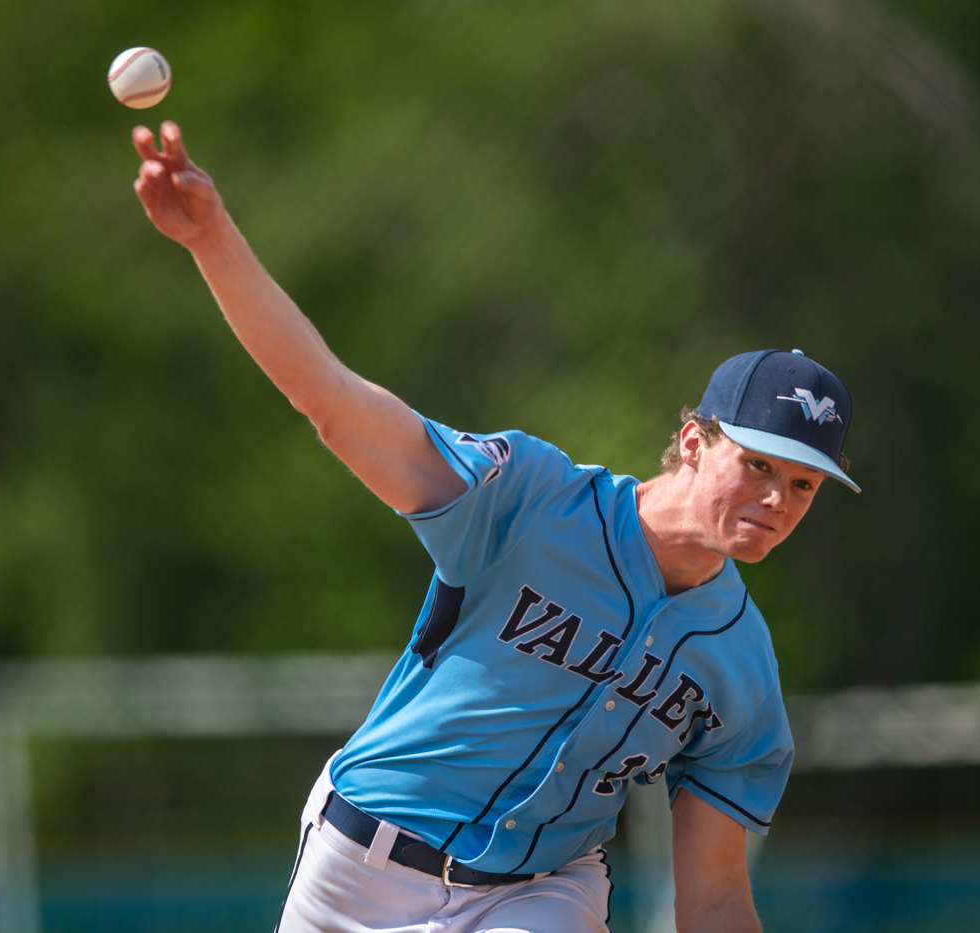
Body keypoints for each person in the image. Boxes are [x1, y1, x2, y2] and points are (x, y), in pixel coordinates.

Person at [130, 121, 859, 933]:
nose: (778, 498)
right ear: (694, 441)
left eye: (802, 483)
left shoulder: (743, 665)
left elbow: (717, 899)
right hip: (360, 868)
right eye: (757, 464)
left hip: (538, 892)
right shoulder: (530, 499)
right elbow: (333, 404)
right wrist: (212, 239)